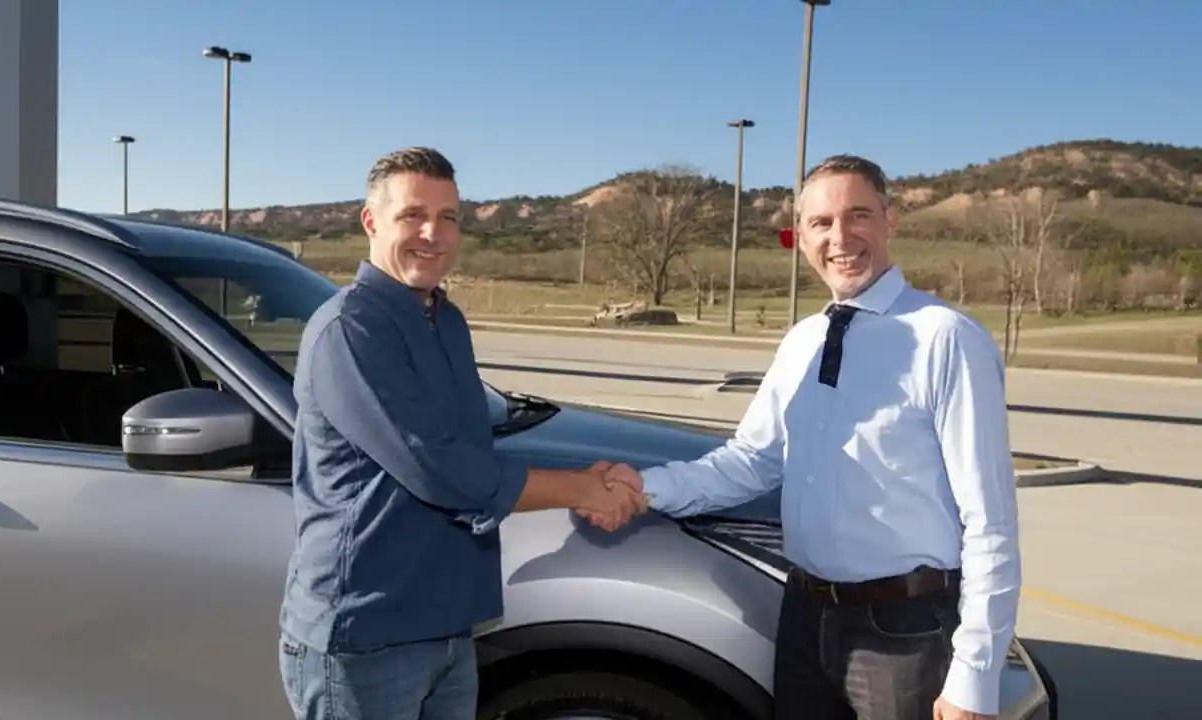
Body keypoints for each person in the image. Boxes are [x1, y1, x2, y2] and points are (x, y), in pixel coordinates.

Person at [599, 155, 1021, 720]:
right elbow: (751, 461)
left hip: (906, 633)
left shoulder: (947, 339)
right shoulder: (803, 340)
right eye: (821, 223)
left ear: (890, 221)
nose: (840, 237)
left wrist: (974, 676)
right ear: (801, 237)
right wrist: (645, 487)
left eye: (859, 216)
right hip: (804, 617)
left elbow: (990, 522)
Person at [278, 146, 645, 720]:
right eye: (413, 215)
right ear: (371, 221)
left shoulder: (445, 320)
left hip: (448, 627)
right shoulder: (351, 330)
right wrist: (581, 489)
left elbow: (473, 444)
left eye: (449, 217)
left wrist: (590, 477)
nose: (434, 233)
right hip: (367, 638)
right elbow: (439, 468)